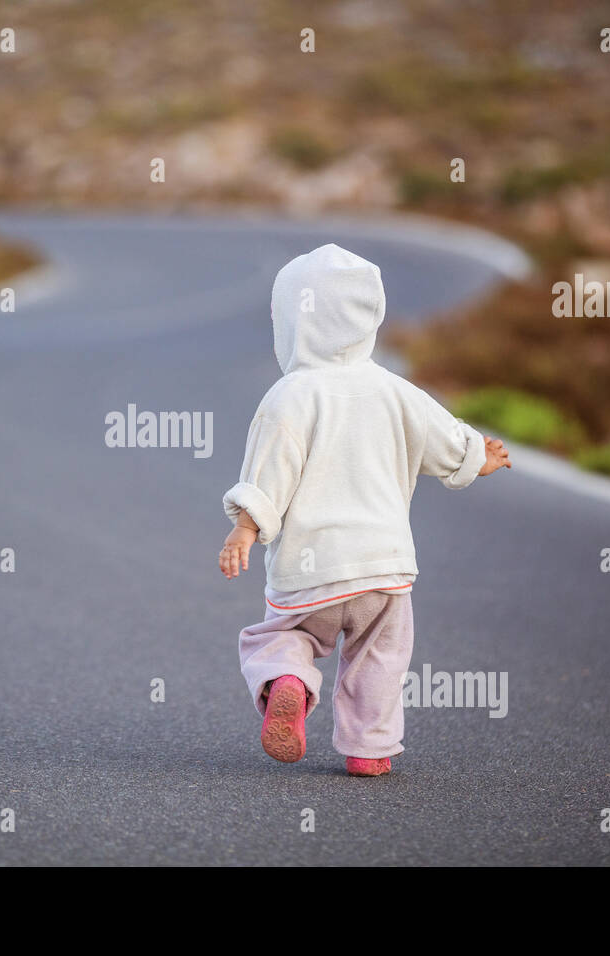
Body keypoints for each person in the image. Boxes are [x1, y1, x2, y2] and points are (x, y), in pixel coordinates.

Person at [218, 244, 511, 776]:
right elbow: (446, 442)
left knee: (283, 637)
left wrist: (245, 526)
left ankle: (290, 682)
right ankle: (370, 751)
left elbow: (269, 472)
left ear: (292, 321)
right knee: (381, 658)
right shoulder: (395, 391)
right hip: (384, 567)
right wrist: (480, 458)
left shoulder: (291, 396)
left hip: (313, 569)